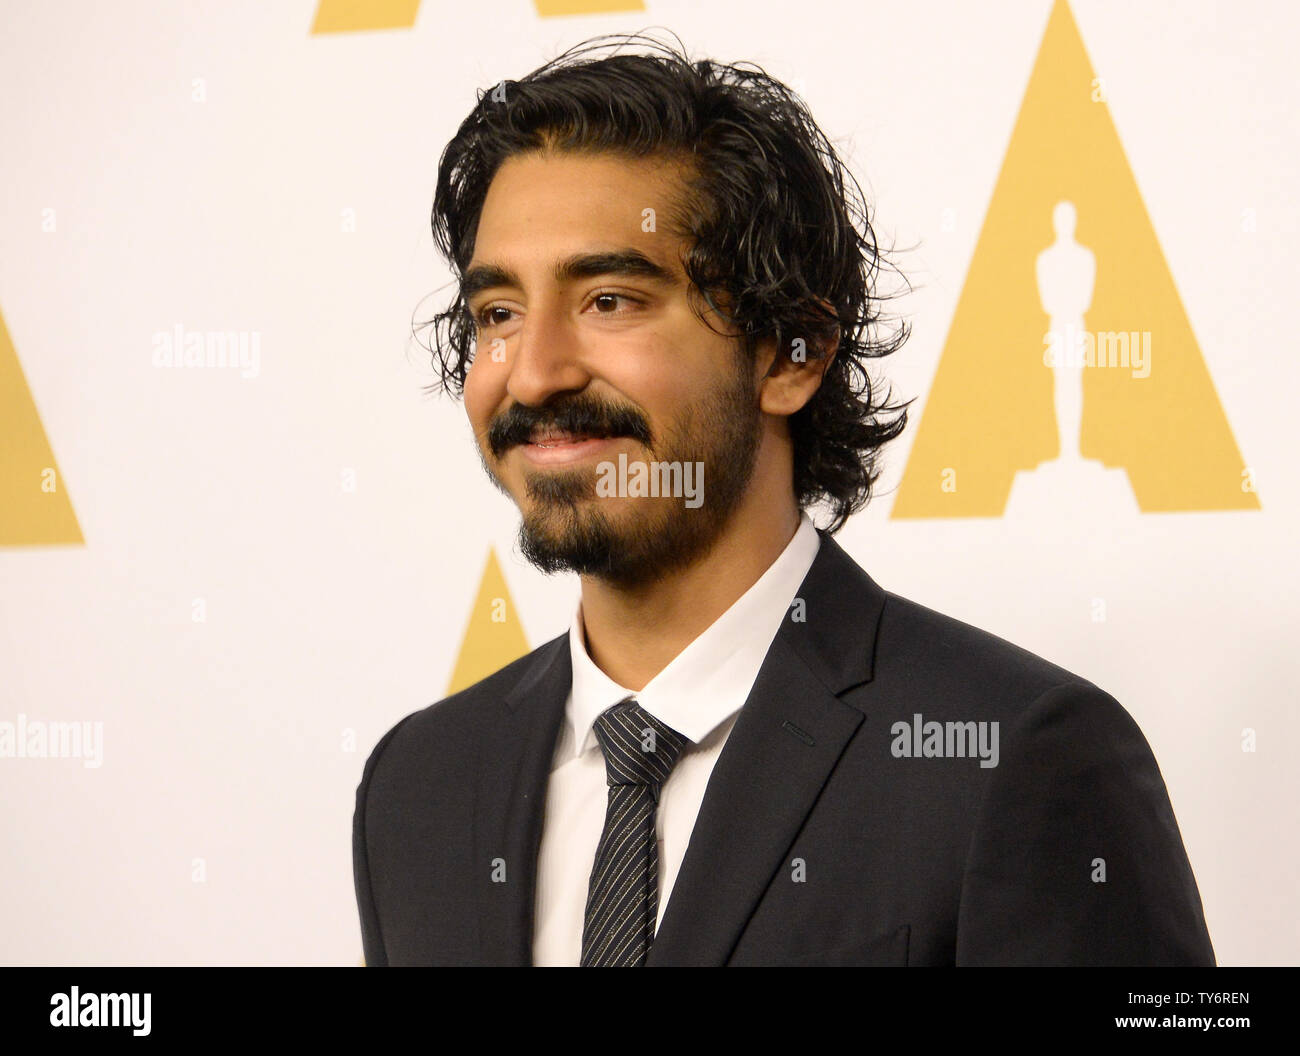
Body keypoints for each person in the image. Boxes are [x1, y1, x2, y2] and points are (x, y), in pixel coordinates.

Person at [352, 31, 1215, 966]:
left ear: (789, 354)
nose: (534, 373)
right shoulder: (419, 788)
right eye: (498, 314)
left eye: (610, 300)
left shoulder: (1014, 759)